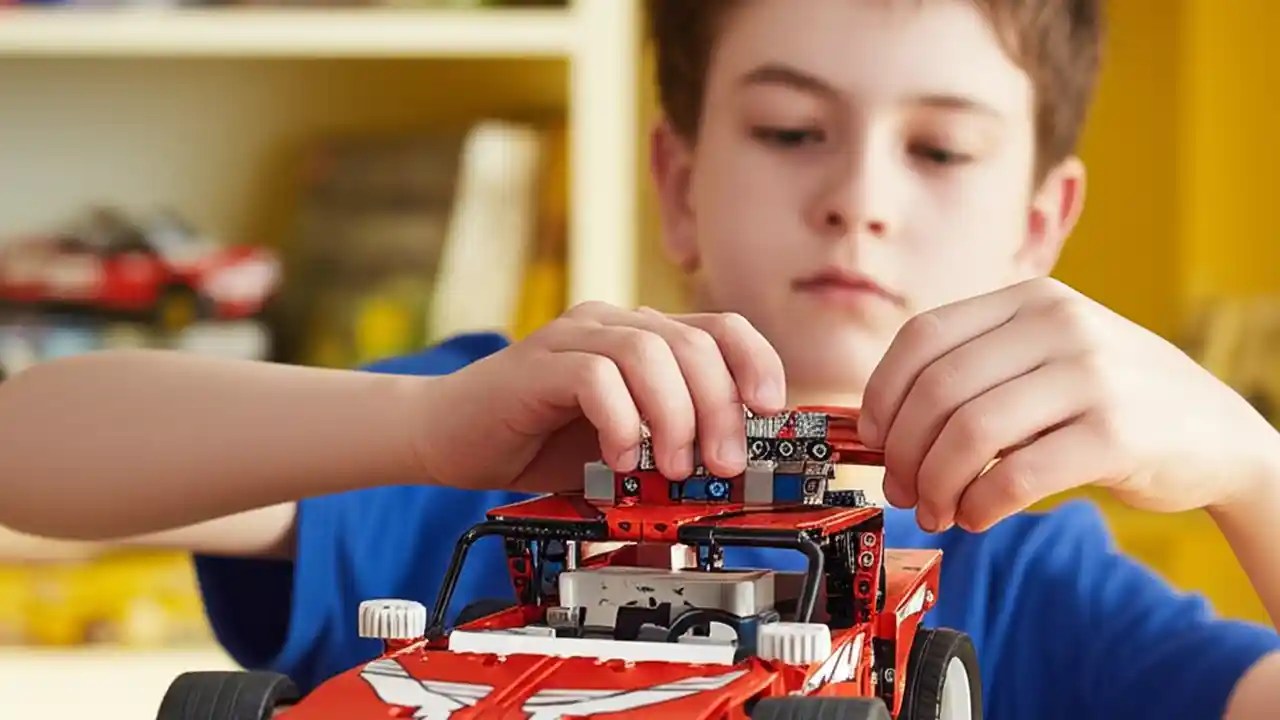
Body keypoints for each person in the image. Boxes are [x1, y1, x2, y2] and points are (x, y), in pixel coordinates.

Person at [2, 0, 1280, 716]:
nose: (856, 200)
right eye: (788, 129)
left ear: (1038, 226)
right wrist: (415, 431)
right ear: (676, 183)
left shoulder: (1031, 569)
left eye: (939, 151)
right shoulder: (499, 437)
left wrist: (1246, 466)